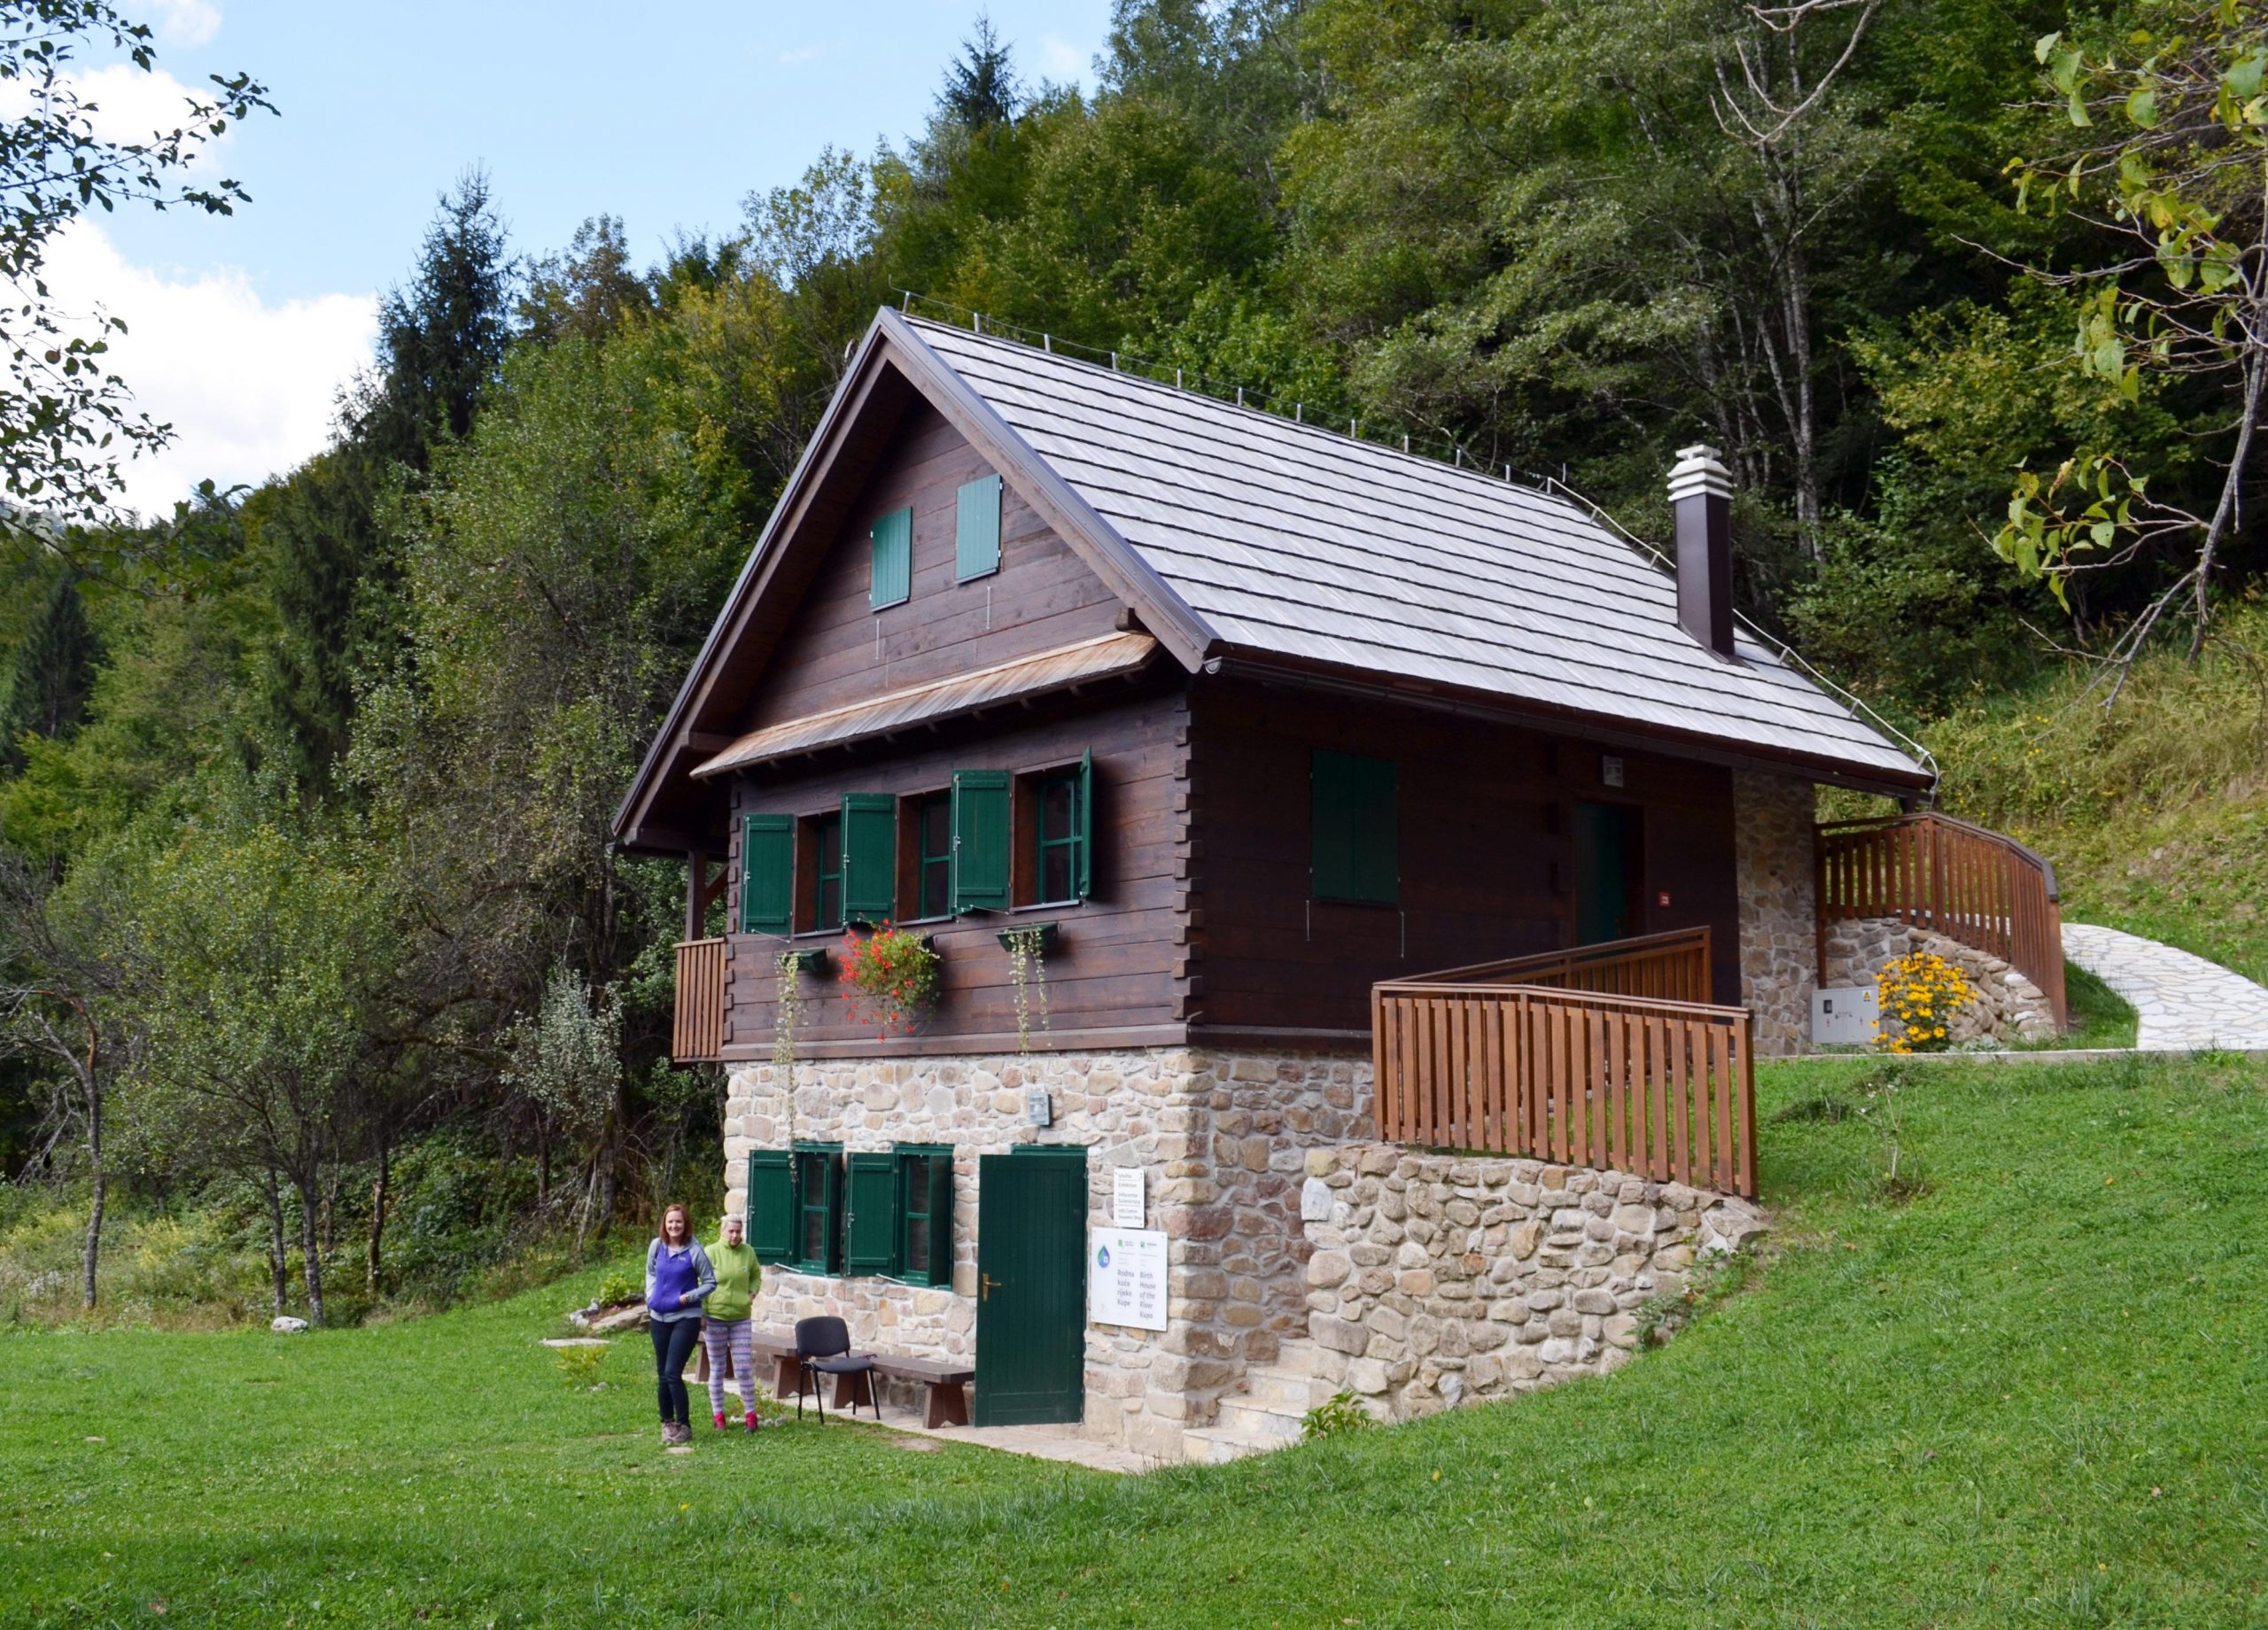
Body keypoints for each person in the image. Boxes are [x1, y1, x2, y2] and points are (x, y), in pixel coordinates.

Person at [646, 1203, 715, 1446]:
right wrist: (650, 1297)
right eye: (670, 1222)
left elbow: (710, 1282)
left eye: (679, 1222)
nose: (674, 1226)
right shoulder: (657, 1246)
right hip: (659, 1317)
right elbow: (650, 1273)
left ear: (685, 1225)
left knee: (673, 1372)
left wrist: (689, 1297)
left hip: (686, 1318)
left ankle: (684, 1425)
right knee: (662, 1374)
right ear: (664, 1224)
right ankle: (667, 1423)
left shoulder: (695, 1251)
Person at [703, 1213, 762, 1432]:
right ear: (722, 1231)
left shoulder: (748, 1252)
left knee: (744, 1367)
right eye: (731, 1231)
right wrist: (702, 1311)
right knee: (718, 1368)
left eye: (738, 1231)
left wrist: (752, 1292)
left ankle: (751, 1415)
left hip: (741, 1318)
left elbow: (756, 1274)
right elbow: (699, 1282)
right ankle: (718, 1415)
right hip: (714, 1318)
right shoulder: (710, 1253)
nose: (735, 1236)